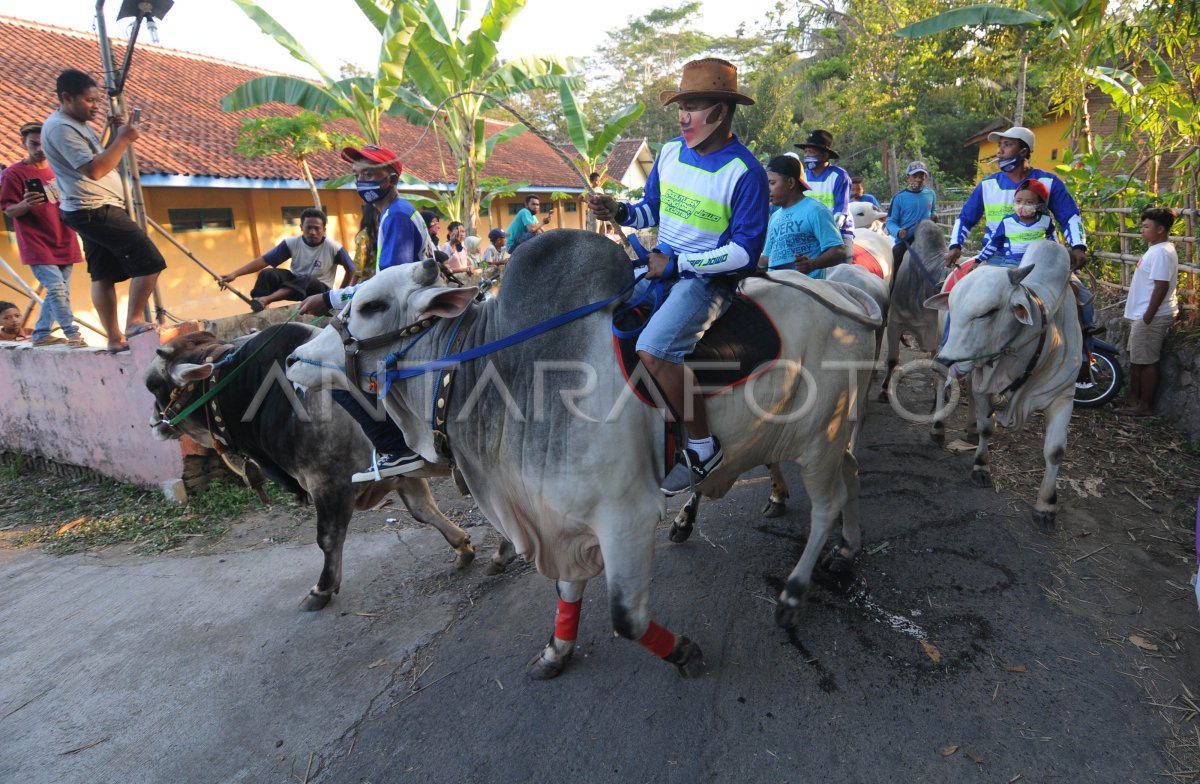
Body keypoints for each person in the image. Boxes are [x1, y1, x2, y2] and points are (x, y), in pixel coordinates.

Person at [587, 57, 768, 495]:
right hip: (659, 265)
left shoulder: (746, 172)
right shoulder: (669, 152)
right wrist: (620, 210)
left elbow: (745, 253)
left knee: (653, 350)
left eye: (694, 106)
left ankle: (704, 448)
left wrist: (680, 266)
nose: (683, 116)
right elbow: (652, 209)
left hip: (706, 282)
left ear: (721, 113)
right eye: (680, 107)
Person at [299, 144, 432, 481]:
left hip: (408, 315)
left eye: (369, 175)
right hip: (406, 308)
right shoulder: (391, 214)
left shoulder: (398, 215)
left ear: (392, 176)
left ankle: (396, 448)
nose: (362, 182)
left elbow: (387, 287)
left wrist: (329, 299)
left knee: (332, 369)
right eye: (358, 176)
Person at [40, 69, 165, 353]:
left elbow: (101, 158)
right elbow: (94, 170)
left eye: (97, 100)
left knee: (103, 274)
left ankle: (113, 338)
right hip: (94, 208)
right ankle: (134, 322)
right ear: (66, 98)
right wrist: (123, 139)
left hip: (88, 208)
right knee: (150, 261)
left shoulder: (76, 123)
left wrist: (114, 136)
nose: (95, 106)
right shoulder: (61, 127)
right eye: (89, 100)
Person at [946, 126, 1086, 270]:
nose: (999, 151)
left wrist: (1078, 246)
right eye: (999, 145)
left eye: (1007, 145)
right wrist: (955, 245)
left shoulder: (1049, 182)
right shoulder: (987, 185)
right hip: (996, 256)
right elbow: (965, 219)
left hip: (1040, 258)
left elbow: (1069, 216)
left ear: (1023, 151)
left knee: (1080, 292)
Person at [0, 121, 87, 347]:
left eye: (44, 144)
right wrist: (26, 203)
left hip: (65, 237)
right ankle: (73, 333)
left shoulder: (58, 169)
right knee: (57, 288)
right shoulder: (13, 173)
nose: (39, 149)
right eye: (34, 144)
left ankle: (40, 334)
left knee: (58, 292)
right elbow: (9, 210)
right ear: (24, 144)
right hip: (36, 242)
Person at [218, 208, 355, 311]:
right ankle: (259, 305)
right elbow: (263, 261)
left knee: (307, 278)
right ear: (301, 227)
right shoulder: (291, 243)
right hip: (294, 286)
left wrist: (338, 293)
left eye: (317, 228)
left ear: (324, 229)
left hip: (318, 290)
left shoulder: (333, 247)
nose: (313, 232)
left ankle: (266, 300)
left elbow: (351, 269)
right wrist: (234, 274)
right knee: (268, 273)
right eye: (309, 228)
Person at [1121, 207, 1179, 417]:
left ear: (1161, 229)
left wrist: (1148, 316)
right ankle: (1133, 398)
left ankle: (1144, 406)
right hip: (1143, 315)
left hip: (1152, 316)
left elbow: (1161, 286)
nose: (1142, 230)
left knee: (1147, 362)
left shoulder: (1162, 252)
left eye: (1147, 226)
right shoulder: (1155, 249)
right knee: (1138, 359)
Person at [760, 155, 844, 278]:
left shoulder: (816, 210)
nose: (767, 189)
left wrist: (812, 264)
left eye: (772, 183)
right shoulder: (775, 217)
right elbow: (766, 258)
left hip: (806, 290)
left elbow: (839, 251)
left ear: (791, 182)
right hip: (776, 288)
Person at [797, 129, 853, 259]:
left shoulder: (839, 176)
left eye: (811, 152)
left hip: (839, 232)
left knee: (843, 260)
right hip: (808, 232)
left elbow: (841, 211)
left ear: (824, 156)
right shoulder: (802, 176)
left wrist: (823, 230)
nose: (806, 155)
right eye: (805, 152)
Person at [974, 179, 1055, 267]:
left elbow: (1052, 240)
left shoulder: (1045, 220)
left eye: (1029, 202)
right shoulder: (1007, 222)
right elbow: (994, 242)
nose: (1022, 206)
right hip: (1013, 262)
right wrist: (979, 260)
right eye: (1018, 201)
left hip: (1037, 261)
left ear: (1040, 206)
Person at [885, 161, 938, 290]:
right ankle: (892, 294)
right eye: (915, 176)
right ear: (908, 177)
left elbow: (933, 211)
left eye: (922, 176)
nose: (919, 179)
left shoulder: (930, 194)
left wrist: (934, 216)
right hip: (905, 241)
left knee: (943, 260)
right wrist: (898, 231)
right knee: (895, 264)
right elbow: (890, 221)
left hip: (926, 237)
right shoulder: (899, 198)